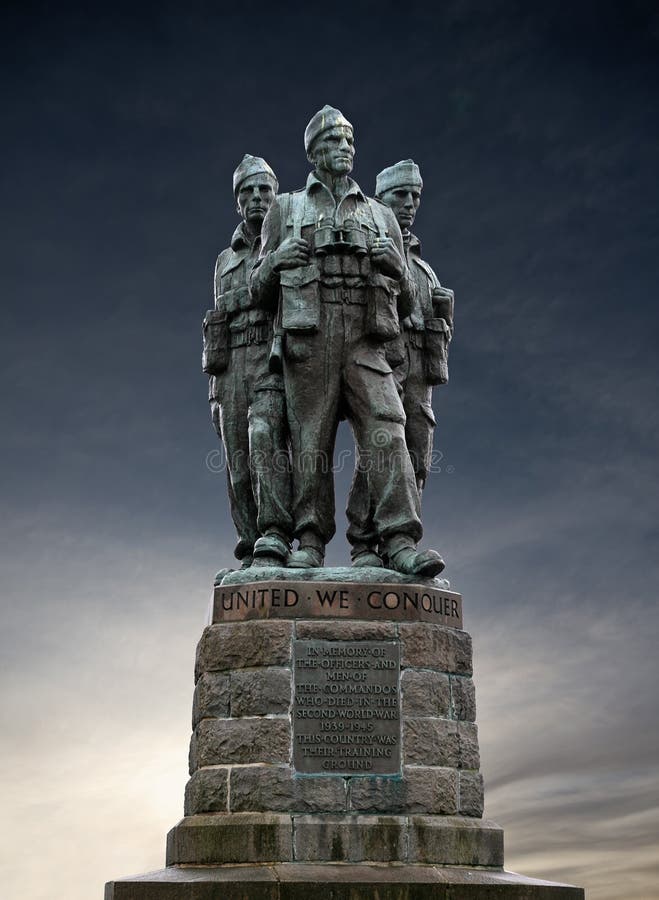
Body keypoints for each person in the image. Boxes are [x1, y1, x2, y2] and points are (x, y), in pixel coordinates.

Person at [250, 107, 444, 576]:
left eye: (349, 142)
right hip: (310, 334)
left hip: (365, 337)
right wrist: (276, 259)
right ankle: (310, 540)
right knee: (309, 440)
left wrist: (395, 265)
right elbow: (258, 291)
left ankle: (398, 539)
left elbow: (410, 303)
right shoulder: (286, 208)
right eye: (334, 142)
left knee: (388, 426)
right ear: (314, 151)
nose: (344, 150)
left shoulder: (381, 216)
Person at [346, 160, 454, 567]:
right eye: (399, 196)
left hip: (419, 377)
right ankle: (365, 541)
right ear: (381, 199)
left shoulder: (425, 271)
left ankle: (397, 550)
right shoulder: (368, 245)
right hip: (380, 363)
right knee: (379, 450)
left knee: (418, 455)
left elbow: (440, 329)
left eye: (415, 196)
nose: (409, 204)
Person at [203, 154, 292, 571]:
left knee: (264, 440)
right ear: (238, 201)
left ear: (274, 196)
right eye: (247, 192)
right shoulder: (224, 259)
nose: (256, 197)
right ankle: (250, 547)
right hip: (229, 369)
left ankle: (276, 535)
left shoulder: (286, 240)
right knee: (237, 465)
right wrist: (213, 393)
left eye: (264, 190)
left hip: (269, 360)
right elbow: (215, 320)